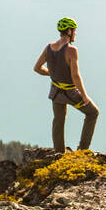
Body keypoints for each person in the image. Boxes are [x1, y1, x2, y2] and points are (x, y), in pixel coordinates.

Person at [33, 16, 99, 153]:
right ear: (69, 30)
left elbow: (37, 68)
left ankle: (59, 153)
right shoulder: (71, 50)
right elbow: (75, 76)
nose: (75, 33)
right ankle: (83, 150)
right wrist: (85, 96)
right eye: (74, 31)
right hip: (71, 92)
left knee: (58, 121)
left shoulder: (49, 48)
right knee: (93, 113)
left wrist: (53, 74)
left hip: (56, 91)